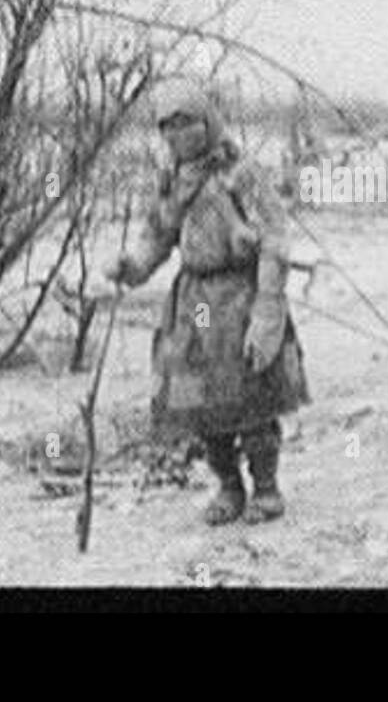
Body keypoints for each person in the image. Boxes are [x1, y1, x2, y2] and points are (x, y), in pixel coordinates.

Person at [105, 78, 309, 524]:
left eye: (187, 124)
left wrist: (268, 312)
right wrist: (133, 266)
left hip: (240, 296)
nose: (178, 136)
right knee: (202, 404)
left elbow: (275, 239)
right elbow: (157, 236)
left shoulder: (241, 174)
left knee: (250, 395)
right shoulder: (172, 182)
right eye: (167, 128)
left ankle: (267, 487)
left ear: (207, 121)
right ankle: (229, 487)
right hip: (194, 305)